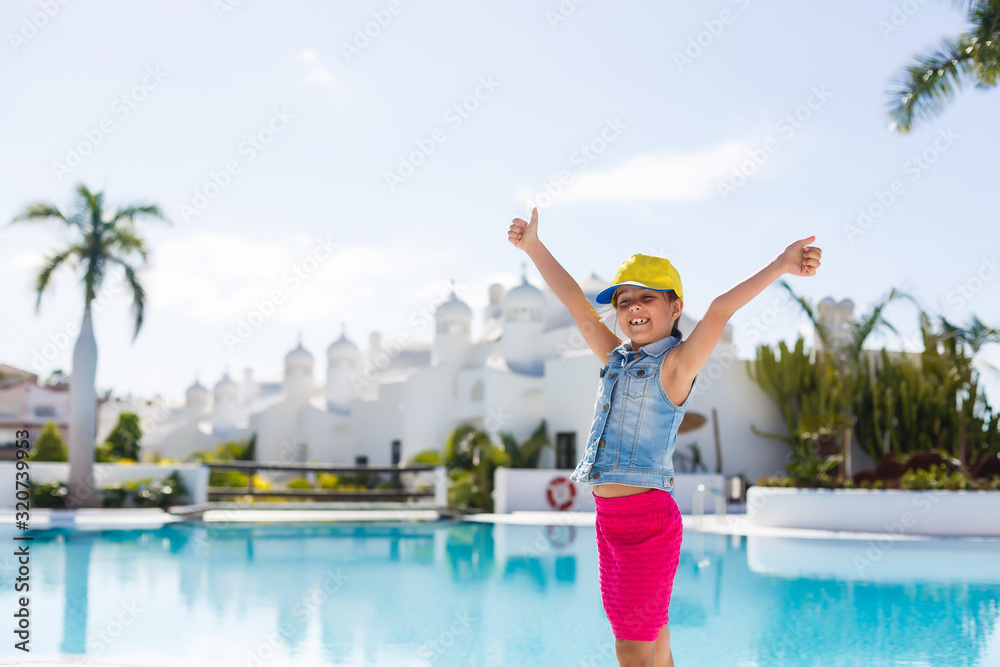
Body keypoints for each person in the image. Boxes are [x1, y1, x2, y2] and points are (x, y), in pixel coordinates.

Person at [507, 207, 822, 667]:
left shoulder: (675, 366)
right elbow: (577, 304)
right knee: (652, 641)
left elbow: (718, 310)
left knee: (632, 647)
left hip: (647, 522)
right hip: (609, 522)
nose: (632, 307)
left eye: (646, 298)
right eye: (623, 301)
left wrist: (782, 265)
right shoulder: (614, 358)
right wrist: (534, 247)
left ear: (674, 307)